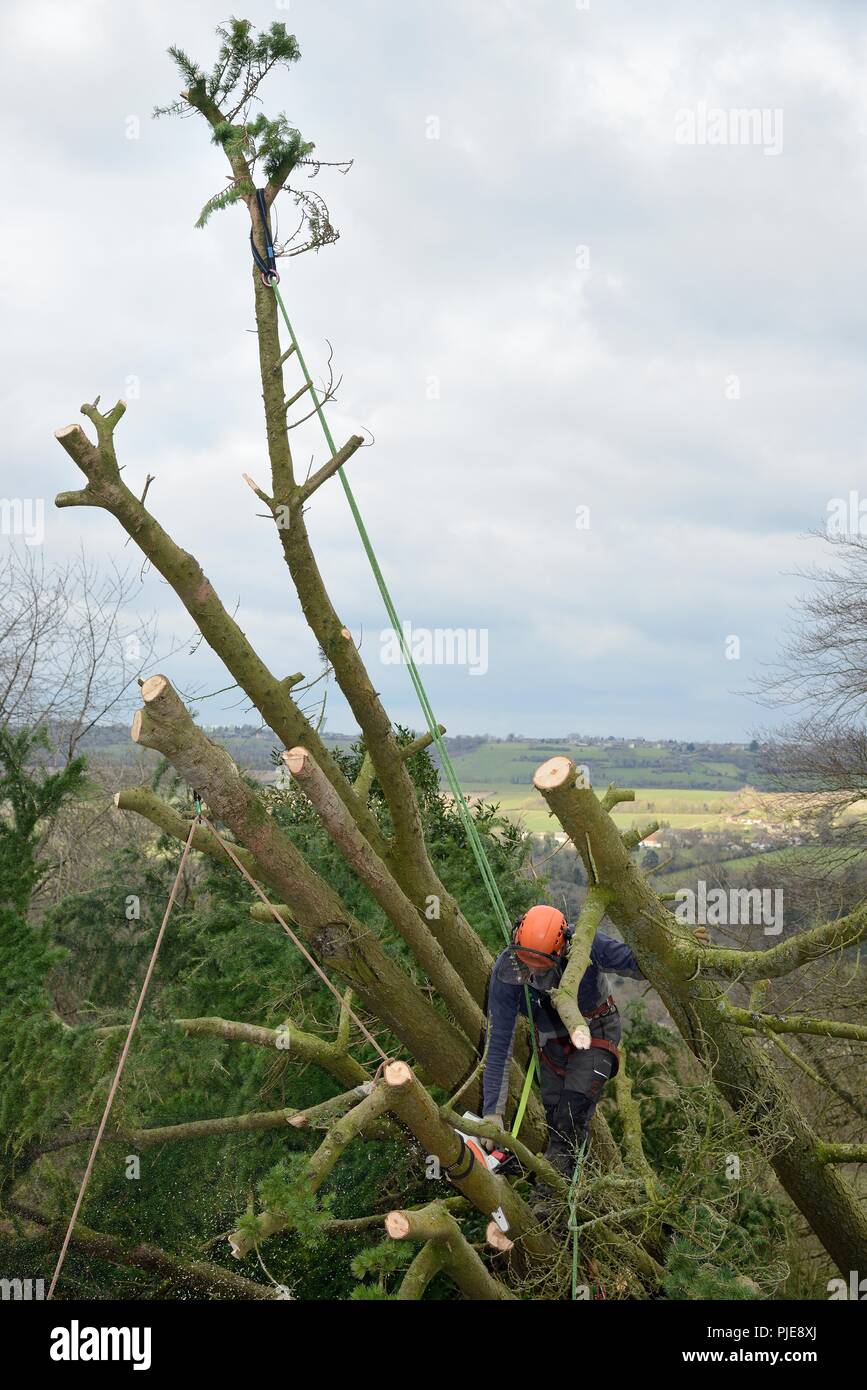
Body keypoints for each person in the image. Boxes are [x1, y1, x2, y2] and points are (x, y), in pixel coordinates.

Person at [481, 903, 643, 1179]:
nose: (531, 971)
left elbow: (634, 961)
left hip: (595, 1031)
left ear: (560, 949)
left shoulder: (584, 944)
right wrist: (492, 1111)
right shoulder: (506, 972)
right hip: (551, 1044)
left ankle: (548, 1197)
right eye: (526, 962)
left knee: (571, 1114)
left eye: (540, 965)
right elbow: (498, 1044)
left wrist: (679, 953)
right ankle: (583, 1188)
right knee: (558, 1122)